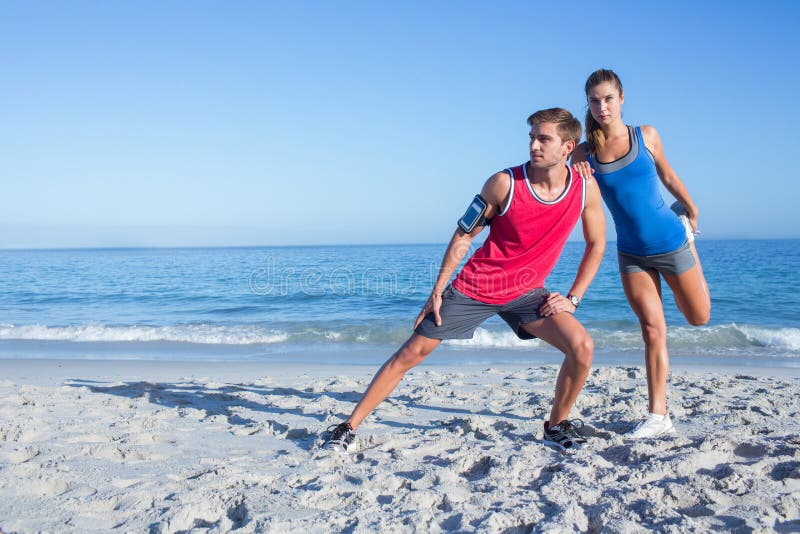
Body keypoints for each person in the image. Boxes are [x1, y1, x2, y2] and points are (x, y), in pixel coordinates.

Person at [324, 107, 606, 452]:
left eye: (543, 139)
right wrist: (438, 289)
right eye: (531, 137)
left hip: (529, 292)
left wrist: (574, 297)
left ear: (567, 147)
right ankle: (348, 427)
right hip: (477, 286)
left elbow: (597, 245)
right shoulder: (504, 183)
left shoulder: (584, 189)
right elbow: (463, 235)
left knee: (582, 348)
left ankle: (556, 426)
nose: (533, 145)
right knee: (411, 353)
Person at [571, 69, 711, 439]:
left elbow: (668, 175)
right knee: (652, 329)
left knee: (698, 317)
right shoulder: (584, 154)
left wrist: (690, 208)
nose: (602, 107)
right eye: (594, 100)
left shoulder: (645, 135)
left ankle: (687, 244)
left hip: (672, 240)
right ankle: (658, 415)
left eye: (608, 99)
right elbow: (565, 189)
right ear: (588, 104)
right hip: (631, 253)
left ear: (621, 99)